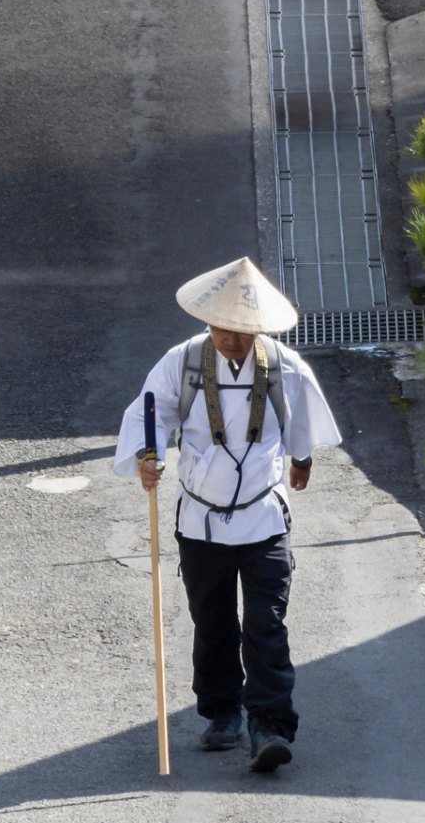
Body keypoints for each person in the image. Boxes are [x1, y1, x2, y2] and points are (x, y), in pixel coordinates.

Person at [114, 257, 340, 771]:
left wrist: (302, 458)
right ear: (208, 322)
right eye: (222, 330)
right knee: (211, 622)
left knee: (266, 625)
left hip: (264, 517)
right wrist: (148, 460)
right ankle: (221, 713)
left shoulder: (282, 365)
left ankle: (270, 726)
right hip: (201, 521)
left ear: (257, 328)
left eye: (241, 332)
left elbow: (302, 416)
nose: (231, 341)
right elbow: (148, 414)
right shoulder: (184, 362)